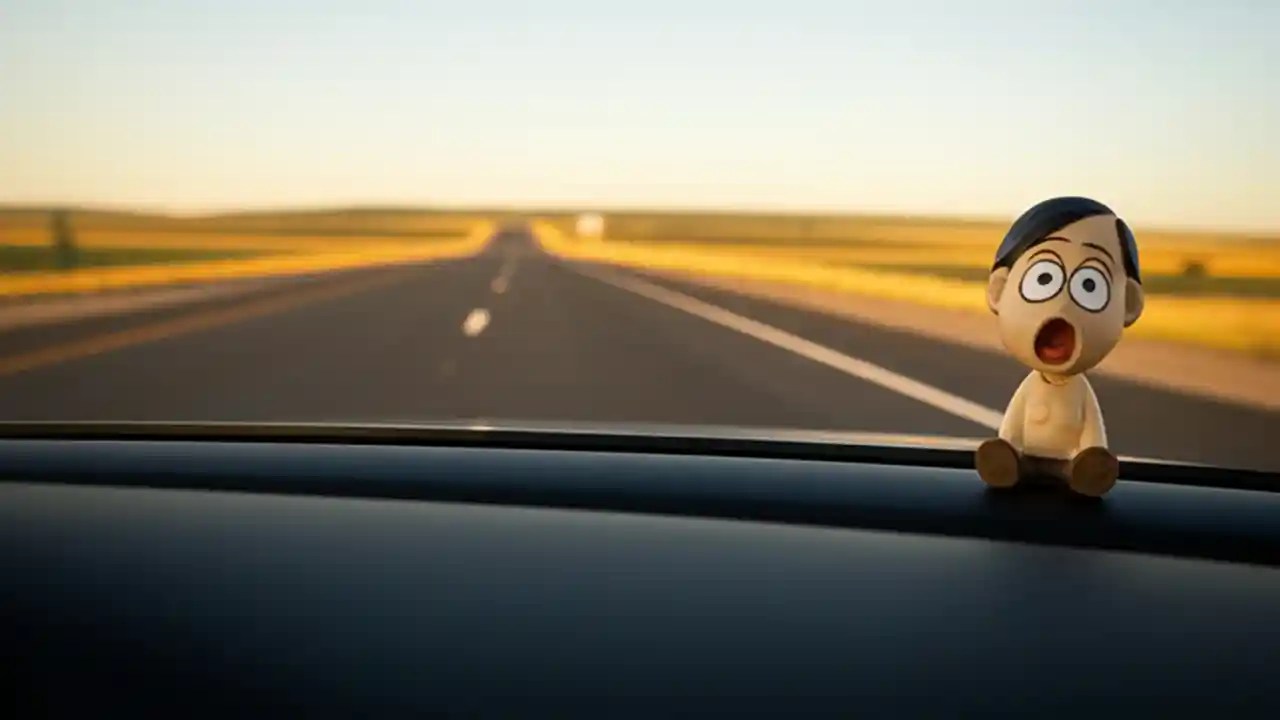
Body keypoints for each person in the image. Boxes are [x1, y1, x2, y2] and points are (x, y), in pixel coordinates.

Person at [975, 196, 1145, 497]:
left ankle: (1084, 472)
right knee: (1007, 456)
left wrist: (1093, 454)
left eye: (1089, 285)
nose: (1062, 306)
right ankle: (1008, 464)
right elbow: (1013, 425)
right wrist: (1007, 447)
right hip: (1023, 463)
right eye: (1044, 279)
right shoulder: (1031, 387)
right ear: (999, 290)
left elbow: (1093, 432)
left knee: (1086, 465)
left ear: (1129, 304)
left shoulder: (1081, 393)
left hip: (1069, 466)